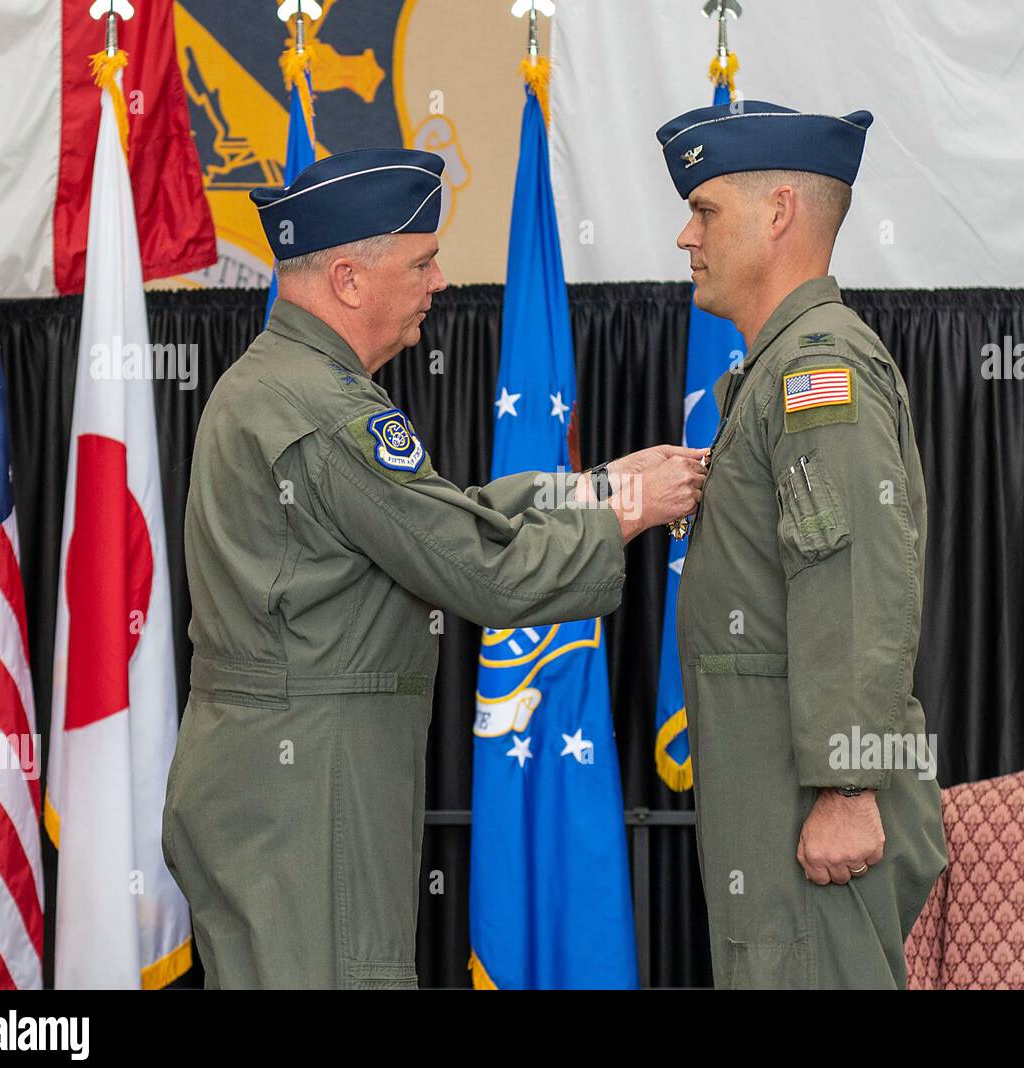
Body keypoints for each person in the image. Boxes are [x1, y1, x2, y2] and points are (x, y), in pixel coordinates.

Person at [161, 147, 706, 989]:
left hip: (277, 777)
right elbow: (481, 572)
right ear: (347, 278)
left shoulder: (279, 383)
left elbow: (439, 517)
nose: (440, 281)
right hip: (311, 788)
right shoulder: (327, 413)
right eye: (421, 262)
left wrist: (595, 484)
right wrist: (627, 511)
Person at [655, 102, 948, 988]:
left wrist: (849, 789)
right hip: (774, 786)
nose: (683, 236)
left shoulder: (820, 372)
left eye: (704, 211)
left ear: (778, 211)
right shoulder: (779, 367)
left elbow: (854, 582)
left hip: (813, 798)